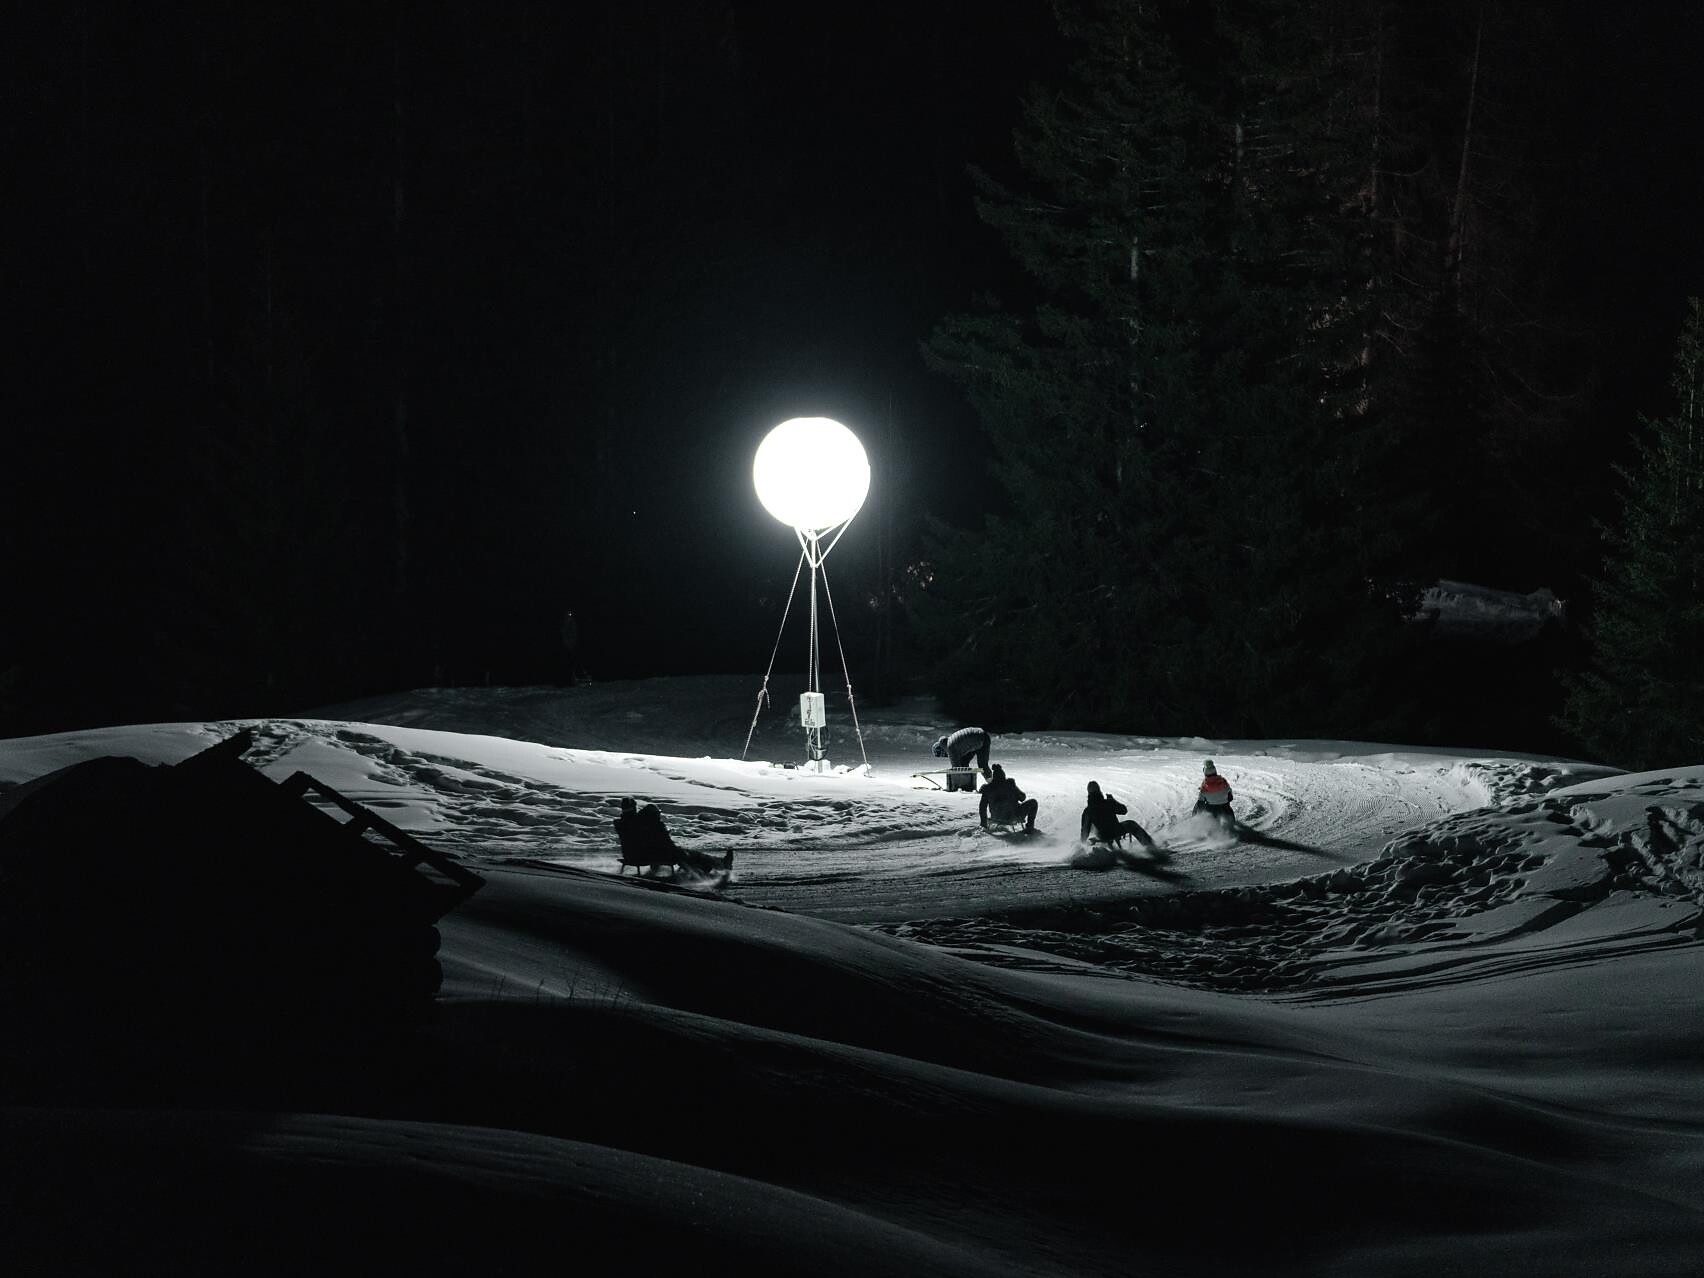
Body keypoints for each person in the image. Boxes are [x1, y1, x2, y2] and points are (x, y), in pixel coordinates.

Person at [614, 797, 733, 877]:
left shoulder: (622, 824)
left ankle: (705, 867)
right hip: (653, 855)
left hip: (632, 855)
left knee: (683, 853)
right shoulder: (648, 824)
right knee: (688, 854)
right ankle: (719, 864)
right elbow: (665, 844)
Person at [1080, 780, 1155, 850]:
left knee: (1094, 829)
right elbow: (1124, 810)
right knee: (1131, 824)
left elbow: (1085, 830)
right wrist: (1113, 801)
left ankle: (1106, 853)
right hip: (1115, 831)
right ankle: (1151, 847)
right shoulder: (1107, 803)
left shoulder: (1087, 811)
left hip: (1102, 835)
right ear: (1099, 791)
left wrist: (1082, 843)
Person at [978, 763, 1038, 833]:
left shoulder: (987, 788)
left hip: (996, 817)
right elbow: (1022, 798)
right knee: (1033, 802)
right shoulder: (1010, 785)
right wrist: (1015, 789)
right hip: (1012, 817)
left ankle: (1029, 827)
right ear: (1003, 775)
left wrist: (983, 823)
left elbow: (982, 807)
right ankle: (1030, 827)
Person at [1194, 759, 1235, 826]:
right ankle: (1232, 824)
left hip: (1212, 810)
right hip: (1226, 809)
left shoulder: (1204, 787)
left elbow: (1200, 803)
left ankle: (1195, 821)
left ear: (1205, 772)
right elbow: (1230, 797)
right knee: (1228, 807)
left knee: (1198, 804)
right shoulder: (1223, 782)